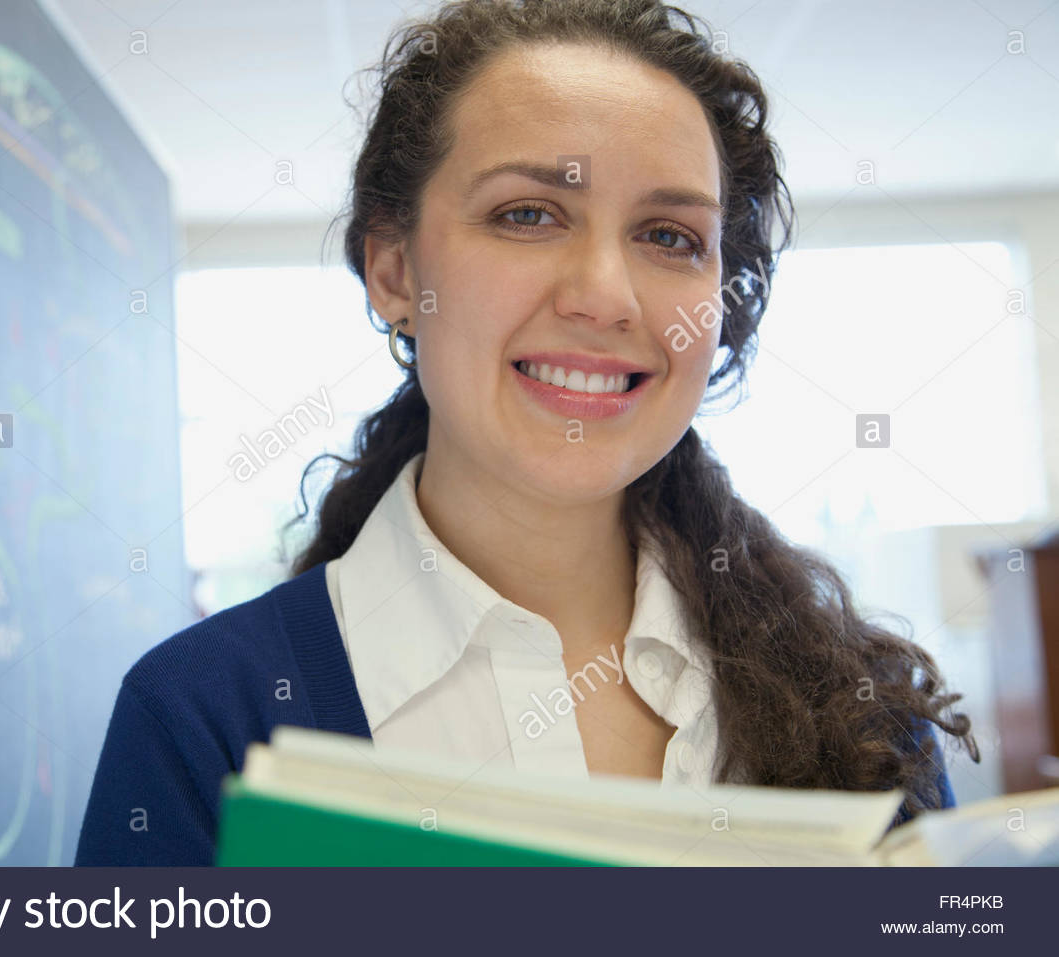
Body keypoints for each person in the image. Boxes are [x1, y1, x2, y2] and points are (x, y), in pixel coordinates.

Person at [75, 0, 979, 867]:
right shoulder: (202, 715)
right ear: (393, 268)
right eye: (528, 215)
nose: (605, 296)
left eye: (669, 236)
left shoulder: (864, 722)